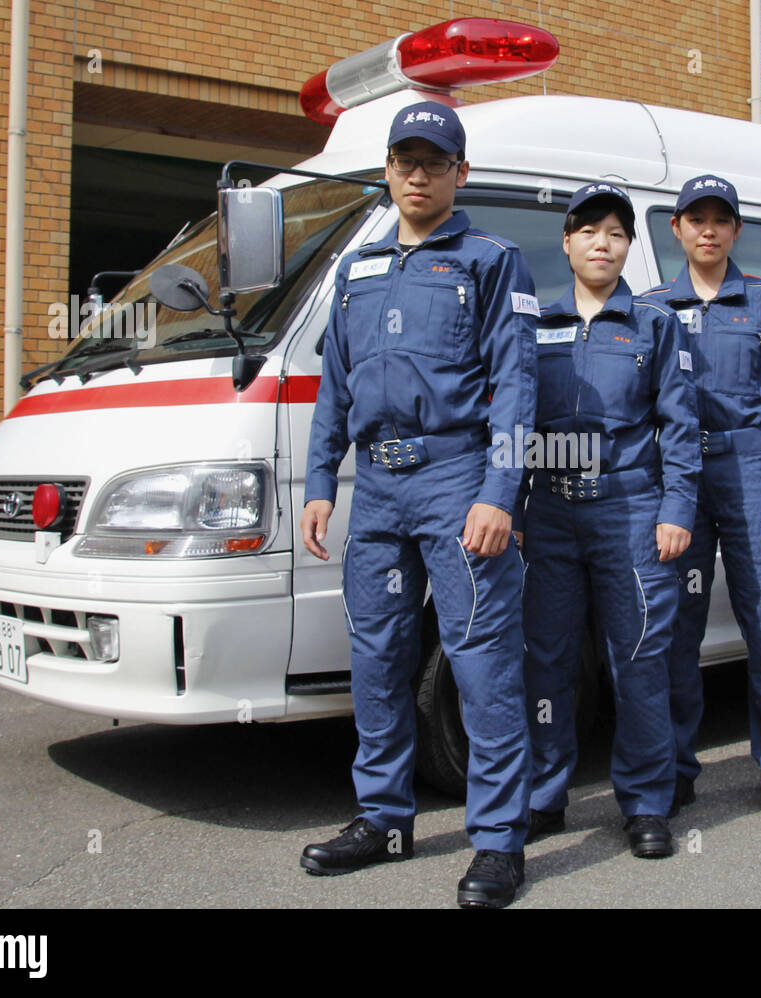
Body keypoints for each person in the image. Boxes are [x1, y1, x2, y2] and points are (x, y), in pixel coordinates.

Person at [298, 101, 540, 909]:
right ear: (389, 169)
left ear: (459, 174)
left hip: (456, 479)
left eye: (433, 161)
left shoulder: (491, 259)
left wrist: (499, 491)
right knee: (377, 658)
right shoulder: (358, 268)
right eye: (404, 158)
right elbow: (335, 383)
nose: (416, 172)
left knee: (482, 662)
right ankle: (384, 819)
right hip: (379, 491)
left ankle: (500, 841)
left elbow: (515, 384)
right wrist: (320, 482)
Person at [519, 182, 699, 858]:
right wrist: (513, 509)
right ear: (566, 243)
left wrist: (676, 508)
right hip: (553, 512)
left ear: (630, 247)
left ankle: (648, 802)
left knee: (640, 659)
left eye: (617, 233)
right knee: (547, 660)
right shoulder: (534, 325)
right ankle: (542, 794)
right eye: (589, 230)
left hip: (629, 507)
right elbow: (515, 423)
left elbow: (679, 426)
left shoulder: (656, 325)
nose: (603, 242)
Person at [643, 174, 761, 826]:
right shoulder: (653, 308)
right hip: (681, 481)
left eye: (721, 219)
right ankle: (678, 769)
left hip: (756, 474)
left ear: (736, 229)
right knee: (677, 630)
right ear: (677, 228)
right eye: (696, 218)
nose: (708, 229)